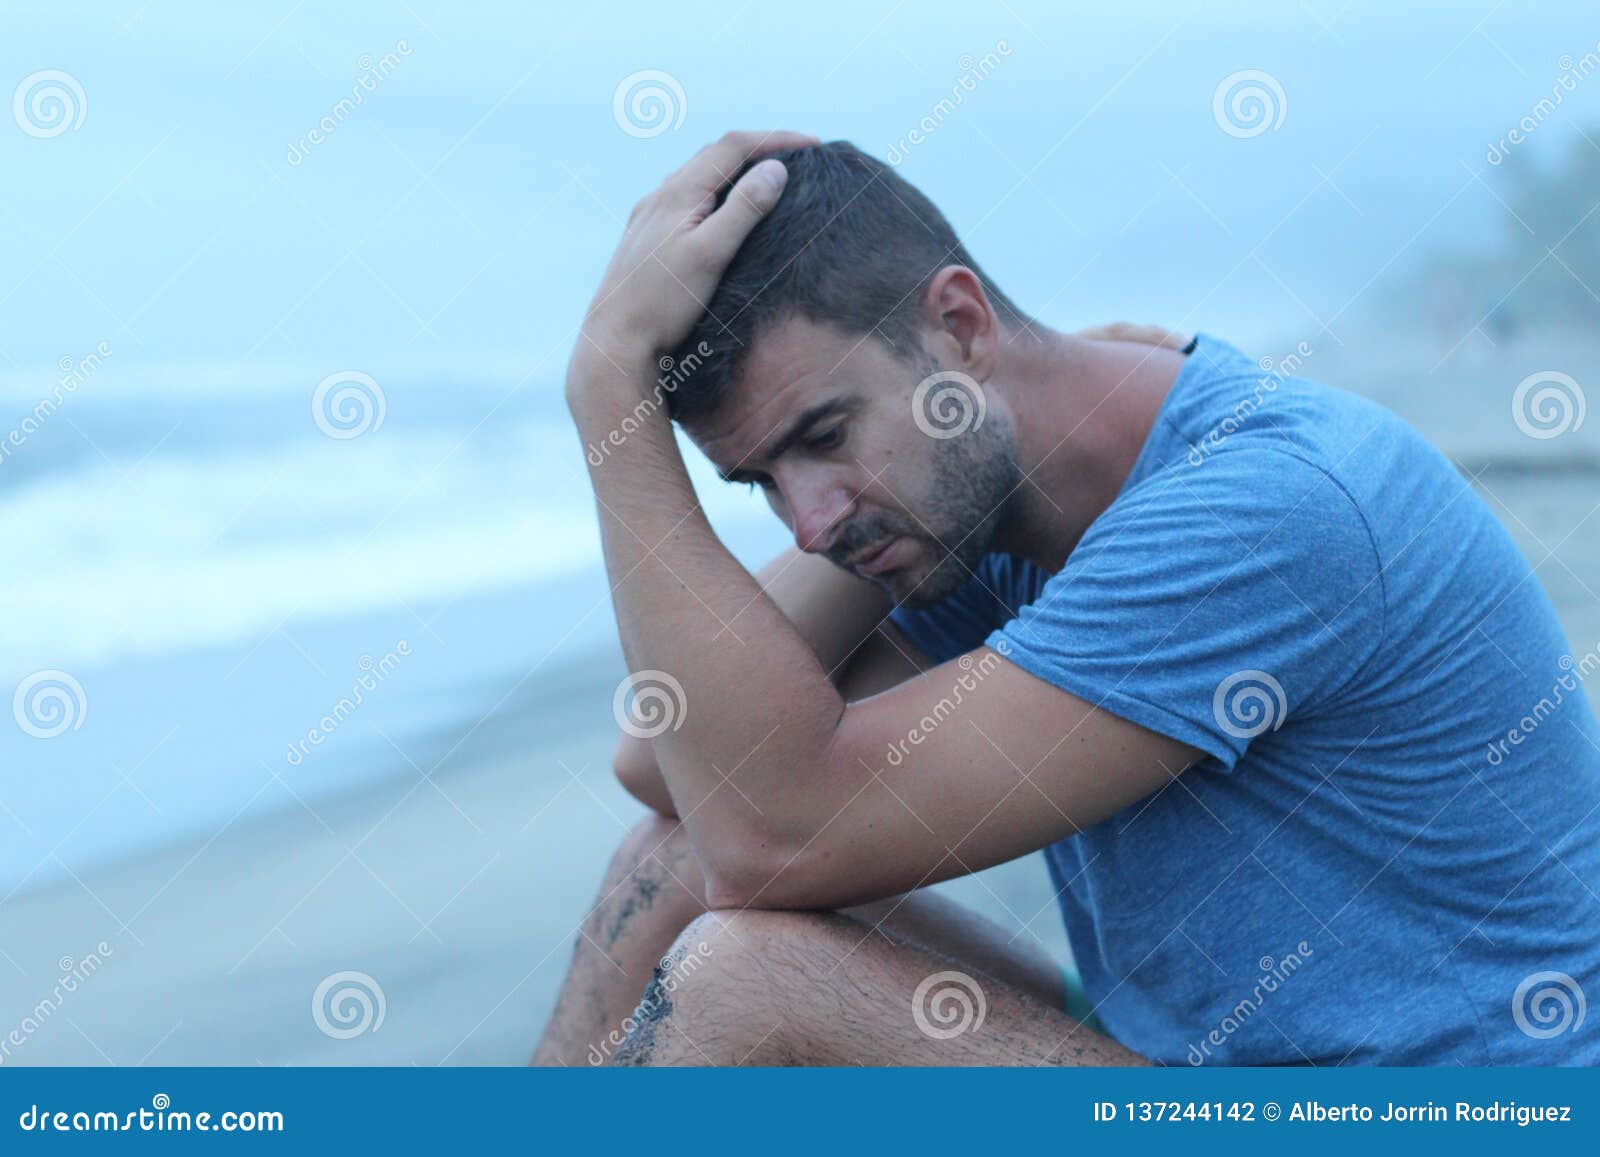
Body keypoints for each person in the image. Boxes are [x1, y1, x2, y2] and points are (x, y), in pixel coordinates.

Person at [533, 132, 1600, 1066]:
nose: (805, 521)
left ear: (958, 324)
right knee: (664, 867)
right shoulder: (986, 505)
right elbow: (665, 762)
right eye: (762, 482)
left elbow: (769, 835)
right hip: (1184, 1067)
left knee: (744, 978)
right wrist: (867, 491)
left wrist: (604, 393)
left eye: (822, 435)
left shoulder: (1259, 513)